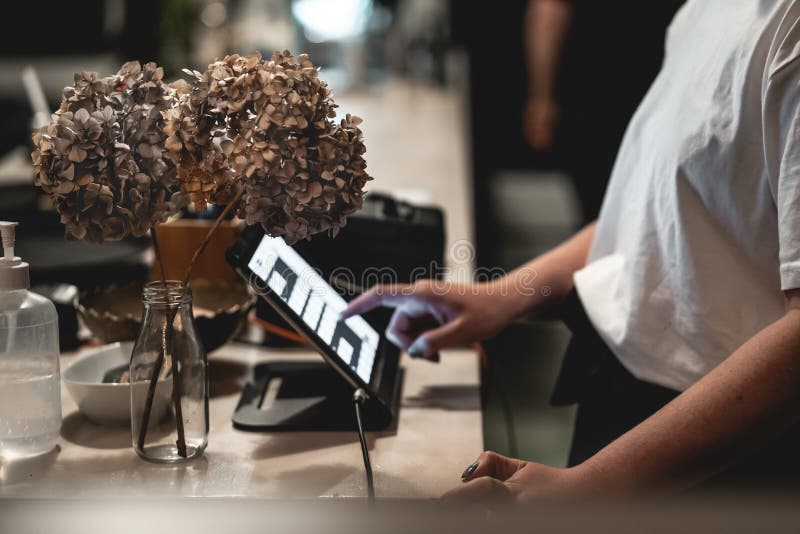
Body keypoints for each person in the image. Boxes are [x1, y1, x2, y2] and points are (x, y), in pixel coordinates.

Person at [343, 0, 800, 500]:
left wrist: (593, 485)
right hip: (629, 405)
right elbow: (648, 216)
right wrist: (500, 296)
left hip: (705, 450)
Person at [523, 0, 683, 226]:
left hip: (593, 99)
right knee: (658, 212)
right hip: (662, 96)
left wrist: (541, 99)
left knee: (600, 212)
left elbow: (547, 17)